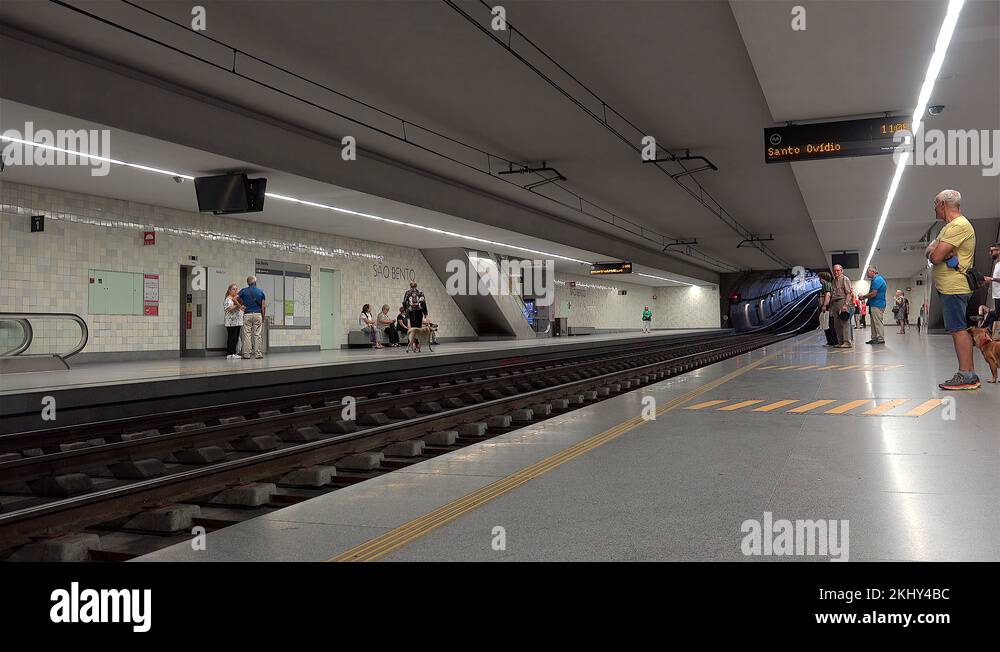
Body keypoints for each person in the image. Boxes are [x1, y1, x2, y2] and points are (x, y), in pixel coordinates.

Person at [925, 189, 978, 390]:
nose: (934, 207)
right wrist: (935, 250)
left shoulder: (958, 226)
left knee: (958, 329)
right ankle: (969, 374)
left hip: (955, 287)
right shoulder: (948, 227)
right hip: (948, 287)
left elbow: (935, 256)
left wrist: (936, 251)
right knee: (956, 328)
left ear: (943, 204)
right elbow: (930, 250)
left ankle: (967, 375)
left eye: (935, 203)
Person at [238, 275, 266, 360]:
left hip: (247, 314)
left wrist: (240, 306)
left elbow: (234, 298)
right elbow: (263, 306)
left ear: (248, 283)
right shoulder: (260, 292)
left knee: (247, 334)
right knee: (257, 334)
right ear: (255, 282)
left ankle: (247, 354)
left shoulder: (243, 291)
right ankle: (258, 354)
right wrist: (263, 317)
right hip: (258, 314)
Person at [859, 265, 887, 344]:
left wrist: (863, 297)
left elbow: (873, 294)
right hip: (875, 304)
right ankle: (874, 338)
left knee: (877, 322)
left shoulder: (877, 280)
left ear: (873, 272)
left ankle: (880, 338)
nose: (867, 274)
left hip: (877, 304)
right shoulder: (876, 279)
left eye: (868, 272)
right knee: (874, 322)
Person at [830, 264, 853, 348]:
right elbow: (832, 294)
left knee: (844, 322)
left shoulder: (845, 279)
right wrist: (832, 308)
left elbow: (848, 293)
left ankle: (847, 342)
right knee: (837, 324)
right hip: (835, 303)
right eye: (834, 270)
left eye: (838, 270)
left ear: (841, 271)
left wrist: (845, 305)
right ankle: (840, 342)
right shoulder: (833, 281)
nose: (836, 272)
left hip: (842, 301)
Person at [223, 283, 244, 360]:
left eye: (236, 289)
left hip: (237, 321)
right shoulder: (228, 299)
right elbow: (230, 309)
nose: (235, 290)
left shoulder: (236, 299)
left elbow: (238, 308)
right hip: (231, 322)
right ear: (229, 290)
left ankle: (234, 353)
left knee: (236, 338)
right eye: (233, 289)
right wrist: (238, 306)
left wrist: (241, 308)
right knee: (231, 337)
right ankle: (230, 353)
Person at [817, 271, 837, 346]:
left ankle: (831, 342)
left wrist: (824, 305)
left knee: (827, 324)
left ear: (823, 279)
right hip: (830, 307)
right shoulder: (830, 284)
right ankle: (833, 341)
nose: (819, 280)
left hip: (828, 308)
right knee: (830, 324)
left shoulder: (826, 285)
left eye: (820, 278)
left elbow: (827, 295)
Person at [984, 242, 1000, 331]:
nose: (990, 253)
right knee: (996, 314)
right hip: (997, 295)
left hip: (999, 295)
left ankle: (983, 329)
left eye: (992, 251)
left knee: (996, 314)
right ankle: (986, 330)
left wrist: (991, 279)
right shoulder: (997, 264)